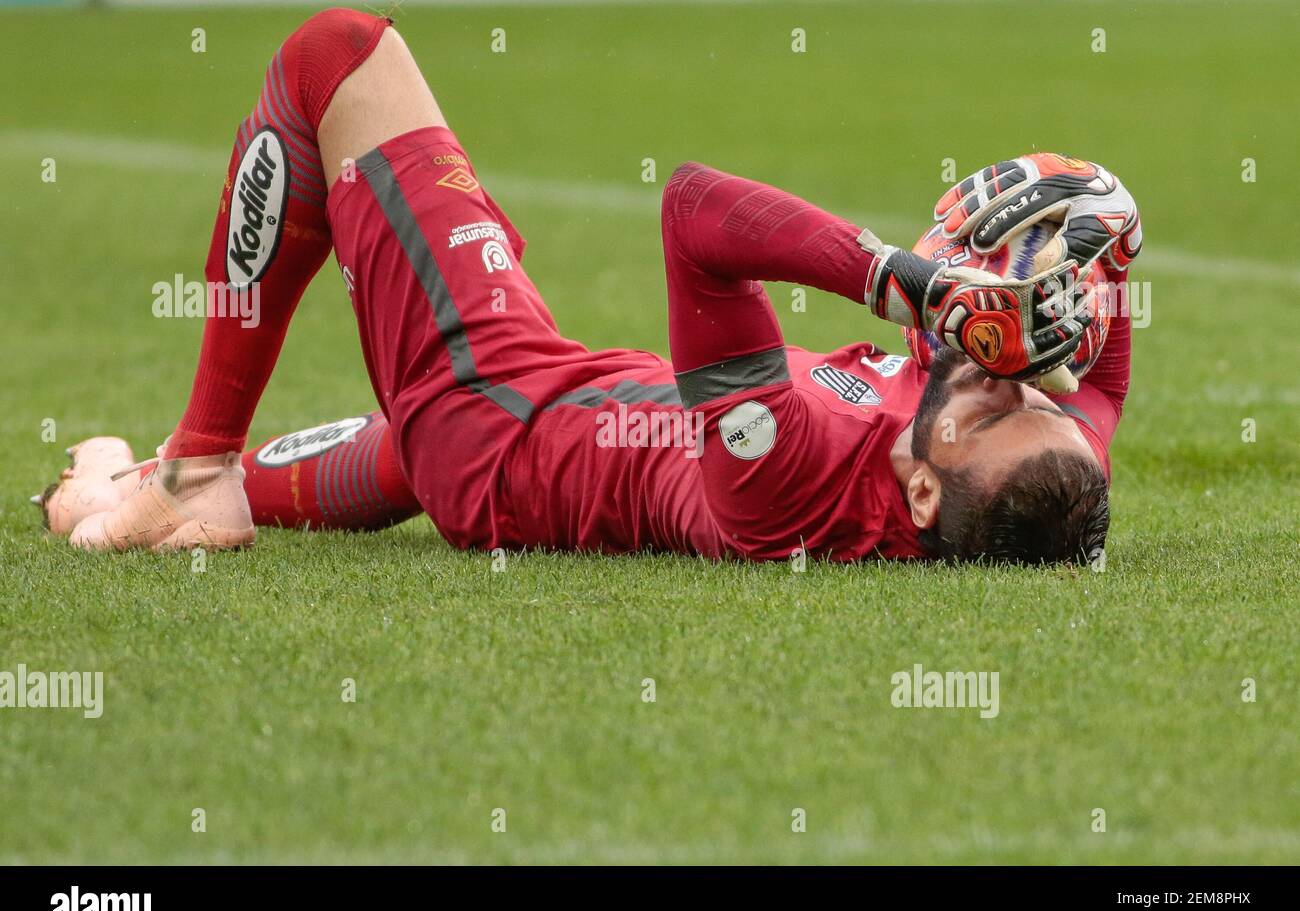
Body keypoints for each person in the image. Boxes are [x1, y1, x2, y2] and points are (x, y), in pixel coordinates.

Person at [53, 8, 1140, 564]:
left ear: (914, 495)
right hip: (538, 412)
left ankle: (194, 463)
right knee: (311, 477)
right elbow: (1107, 303)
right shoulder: (1031, 457)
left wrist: (908, 284)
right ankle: (131, 487)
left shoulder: (792, 481)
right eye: (1038, 394)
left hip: (492, 417)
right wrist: (1101, 236)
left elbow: (696, 213)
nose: (1005, 380)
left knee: (336, 54)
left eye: (994, 406)